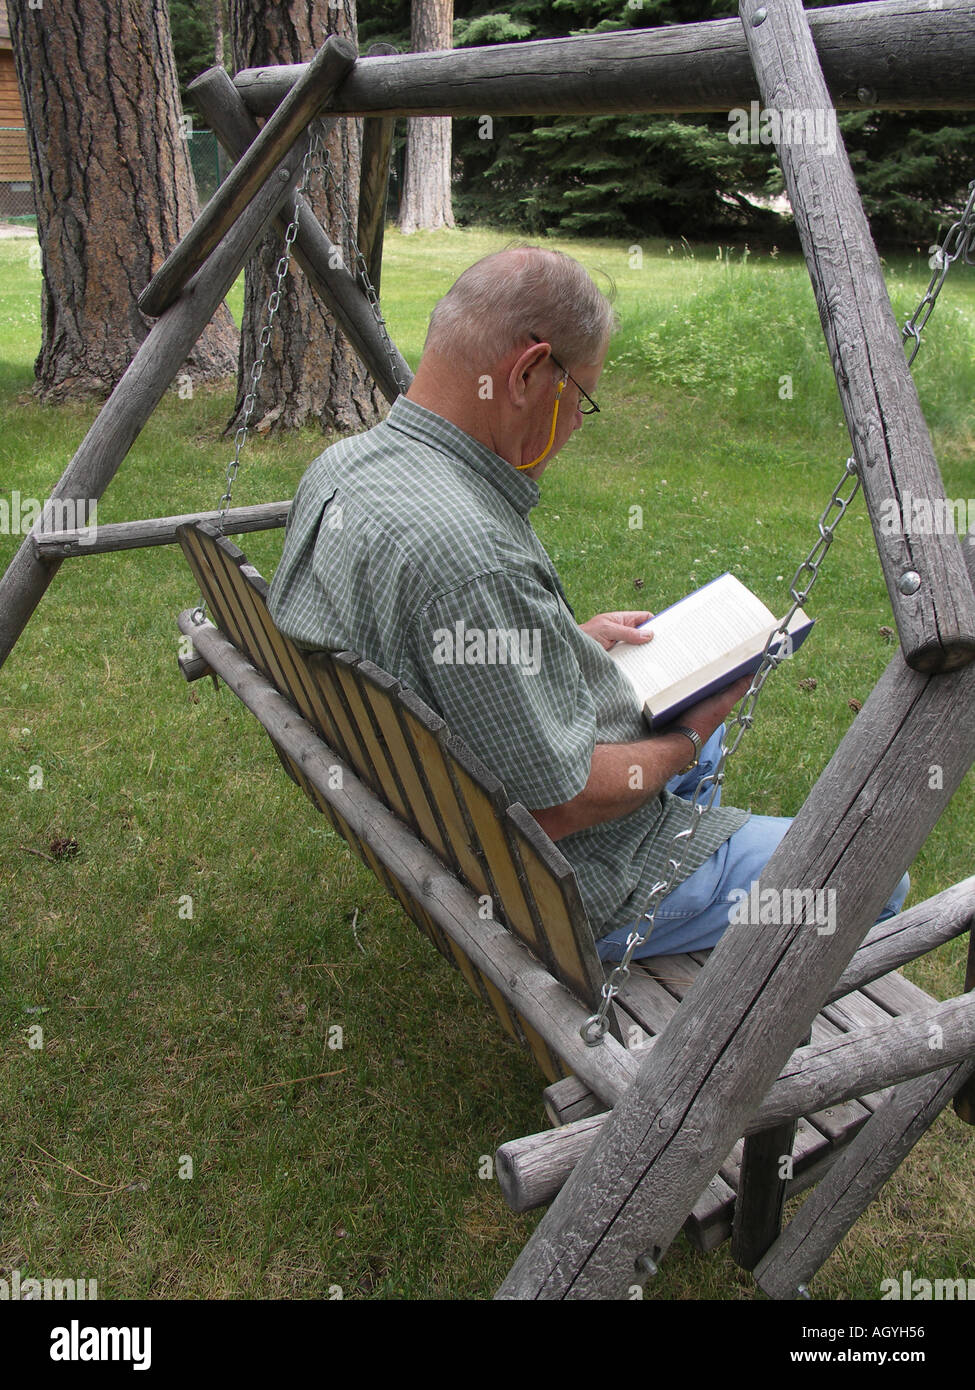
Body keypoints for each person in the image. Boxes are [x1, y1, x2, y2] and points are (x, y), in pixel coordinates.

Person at [268, 245, 907, 958]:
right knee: (876, 875)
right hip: (564, 885)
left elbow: (429, 639)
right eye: (583, 396)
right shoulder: (471, 554)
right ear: (529, 372)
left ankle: (697, 848)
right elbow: (557, 805)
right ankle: (686, 911)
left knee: (681, 709)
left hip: (437, 808)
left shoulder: (342, 468)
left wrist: (559, 640)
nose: (574, 423)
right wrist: (685, 737)